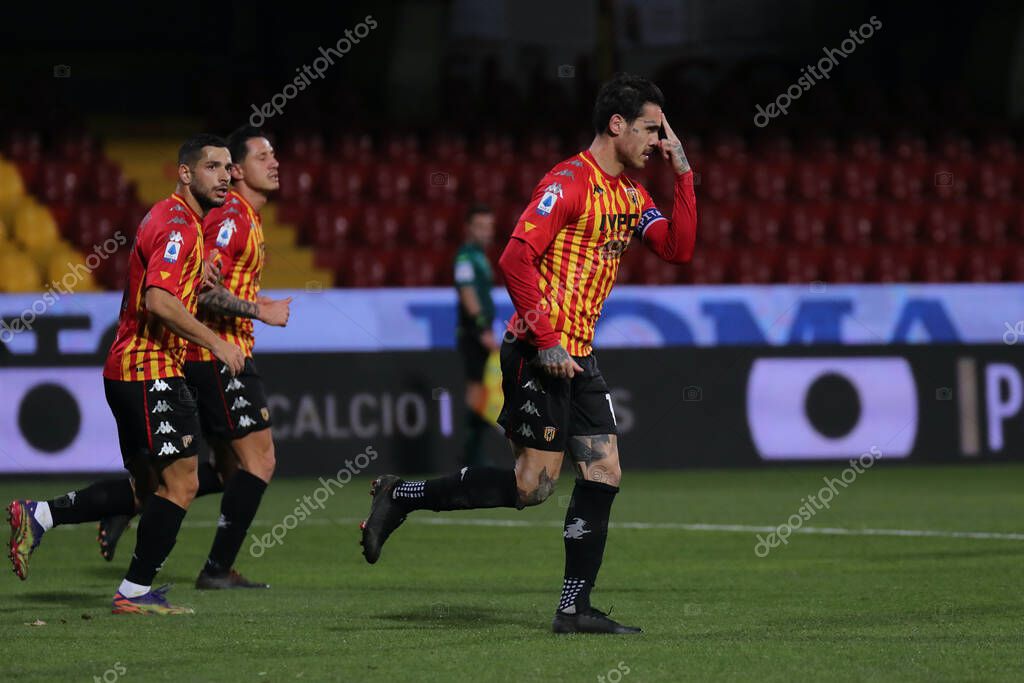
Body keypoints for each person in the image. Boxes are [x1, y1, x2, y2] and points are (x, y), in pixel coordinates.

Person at [359, 73, 697, 634]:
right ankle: (403, 493)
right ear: (616, 124)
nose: (656, 141)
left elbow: (678, 248)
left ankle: (574, 609)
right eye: (649, 129)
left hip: (579, 355)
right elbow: (515, 258)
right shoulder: (568, 182)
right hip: (537, 350)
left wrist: (682, 172)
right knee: (531, 486)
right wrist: (546, 340)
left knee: (604, 471)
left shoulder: (633, 196)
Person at [7, 134, 246, 614]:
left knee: (146, 489)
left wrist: (197, 279)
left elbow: (160, 283)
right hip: (151, 369)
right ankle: (134, 592)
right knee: (182, 485)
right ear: (185, 173)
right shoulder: (179, 225)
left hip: (127, 369)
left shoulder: (176, 220)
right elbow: (158, 301)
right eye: (212, 167)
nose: (225, 176)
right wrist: (216, 341)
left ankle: (41, 515)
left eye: (227, 168)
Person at [96, 125, 292, 590]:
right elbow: (194, 293)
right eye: (262, 156)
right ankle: (214, 568)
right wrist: (257, 311)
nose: (274, 163)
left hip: (216, 349)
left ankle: (132, 501)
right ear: (237, 171)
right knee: (258, 462)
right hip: (214, 349)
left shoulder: (241, 217)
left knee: (221, 470)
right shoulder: (230, 219)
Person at [453, 203, 499, 467]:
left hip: (480, 331)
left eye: (489, 226)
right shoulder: (465, 257)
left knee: (483, 391)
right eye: (480, 226)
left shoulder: (480, 257)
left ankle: (473, 452)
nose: (486, 232)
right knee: (476, 391)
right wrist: (482, 328)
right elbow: (468, 293)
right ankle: (470, 454)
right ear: (468, 228)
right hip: (473, 333)